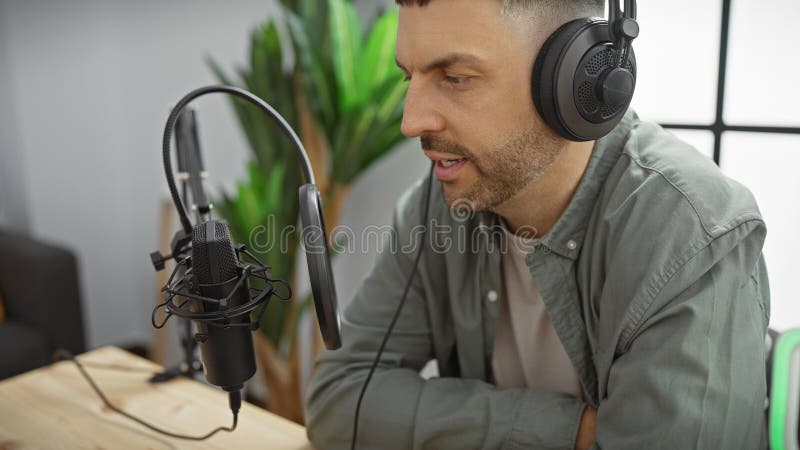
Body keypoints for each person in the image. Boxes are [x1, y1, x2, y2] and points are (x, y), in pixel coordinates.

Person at [305, 0, 770, 449]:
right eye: (410, 76)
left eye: (455, 77)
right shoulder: (436, 211)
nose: (411, 120)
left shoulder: (691, 232)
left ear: (572, 79)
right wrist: (570, 431)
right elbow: (339, 396)